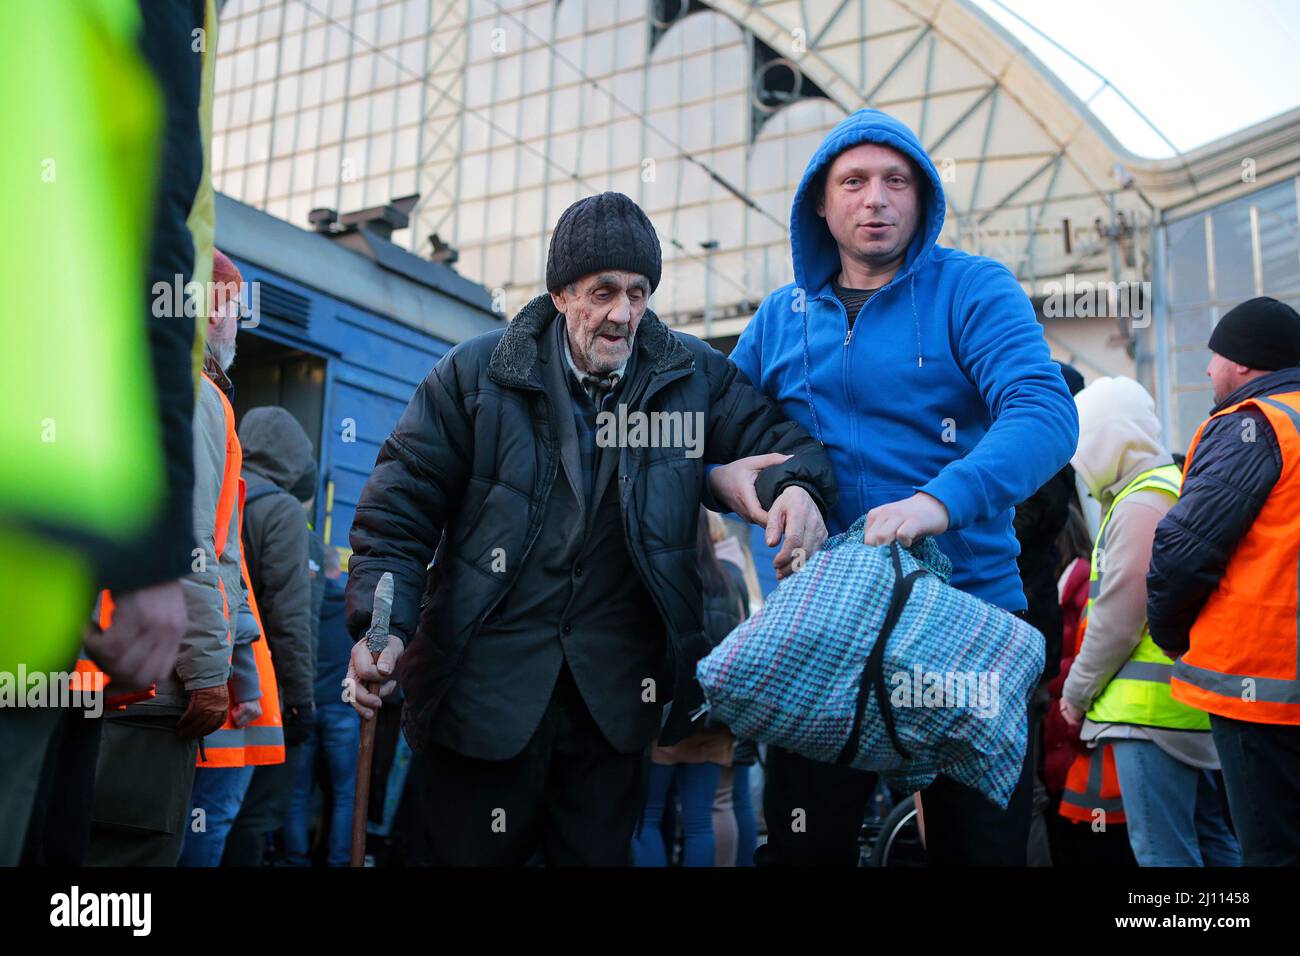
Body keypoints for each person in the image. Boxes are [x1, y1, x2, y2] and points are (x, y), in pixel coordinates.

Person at [345, 191, 836, 866]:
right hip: (480, 701)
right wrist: (383, 627)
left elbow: (791, 446)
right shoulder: (473, 376)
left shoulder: (687, 377)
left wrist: (796, 488)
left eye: (638, 293)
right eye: (603, 292)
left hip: (612, 713)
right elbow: (398, 511)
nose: (623, 314)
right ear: (559, 294)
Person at [728, 108, 1078, 867]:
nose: (875, 198)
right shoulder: (777, 321)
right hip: (820, 632)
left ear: (922, 197)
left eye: (897, 180)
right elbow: (714, 433)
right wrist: (735, 483)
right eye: (852, 181)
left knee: (977, 854)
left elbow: (1045, 411)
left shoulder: (973, 289)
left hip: (965, 621)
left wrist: (936, 502)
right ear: (820, 203)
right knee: (802, 852)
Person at [85, 244, 244, 868]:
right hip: (154, 683)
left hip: (99, 667)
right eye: (231, 307)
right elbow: (192, 546)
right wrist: (207, 671)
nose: (237, 325)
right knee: (130, 863)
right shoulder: (195, 394)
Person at [1147, 295, 1300, 866]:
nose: (1208, 369)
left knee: (1270, 851)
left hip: (1263, 687)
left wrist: (1171, 634)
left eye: (1214, 357)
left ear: (1244, 364)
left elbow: (1184, 550)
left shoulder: (1255, 426)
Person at [1060, 376, 1237, 867]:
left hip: (1149, 719)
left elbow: (1119, 618)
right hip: (1184, 710)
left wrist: (1075, 696)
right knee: (1214, 846)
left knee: (1164, 855)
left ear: (1107, 440)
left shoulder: (1140, 504)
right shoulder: (1169, 488)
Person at [222, 406, 318, 865]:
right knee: (253, 815)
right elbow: (290, 618)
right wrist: (300, 700)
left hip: (206, 678)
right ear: (294, 460)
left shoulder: (224, 487)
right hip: (258, 692)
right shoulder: (281, 511)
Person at [633, 510, 744, 867]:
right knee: (703, 821)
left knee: (645, 820)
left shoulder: (661, 580)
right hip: (713, 717)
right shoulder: (731, 579)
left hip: (664, 717)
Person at [284, 545, 360, 867]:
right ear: (337, 570)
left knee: (298, 791)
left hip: (307, 706)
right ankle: (340, 860)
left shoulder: (306, 603)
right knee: (345, 794)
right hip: (343, 708)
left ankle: (293, 859)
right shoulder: (354, 607)